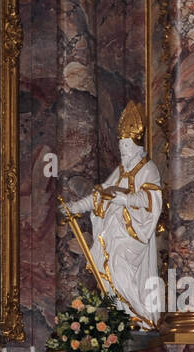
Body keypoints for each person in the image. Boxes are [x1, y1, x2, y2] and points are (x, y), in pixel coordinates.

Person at [62, 102, 163, 328]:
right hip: (112, 232)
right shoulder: (121, 170)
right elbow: (100, 195)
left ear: (136, 147)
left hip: (132, 235)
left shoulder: (148, 169)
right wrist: (76, 207)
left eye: (126, 147)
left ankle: (137, 316)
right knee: (107, 271)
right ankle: (120, 316)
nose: (123, 152)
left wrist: (124, 199)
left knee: (119, 266)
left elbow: (151, 199)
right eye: (121, 147)